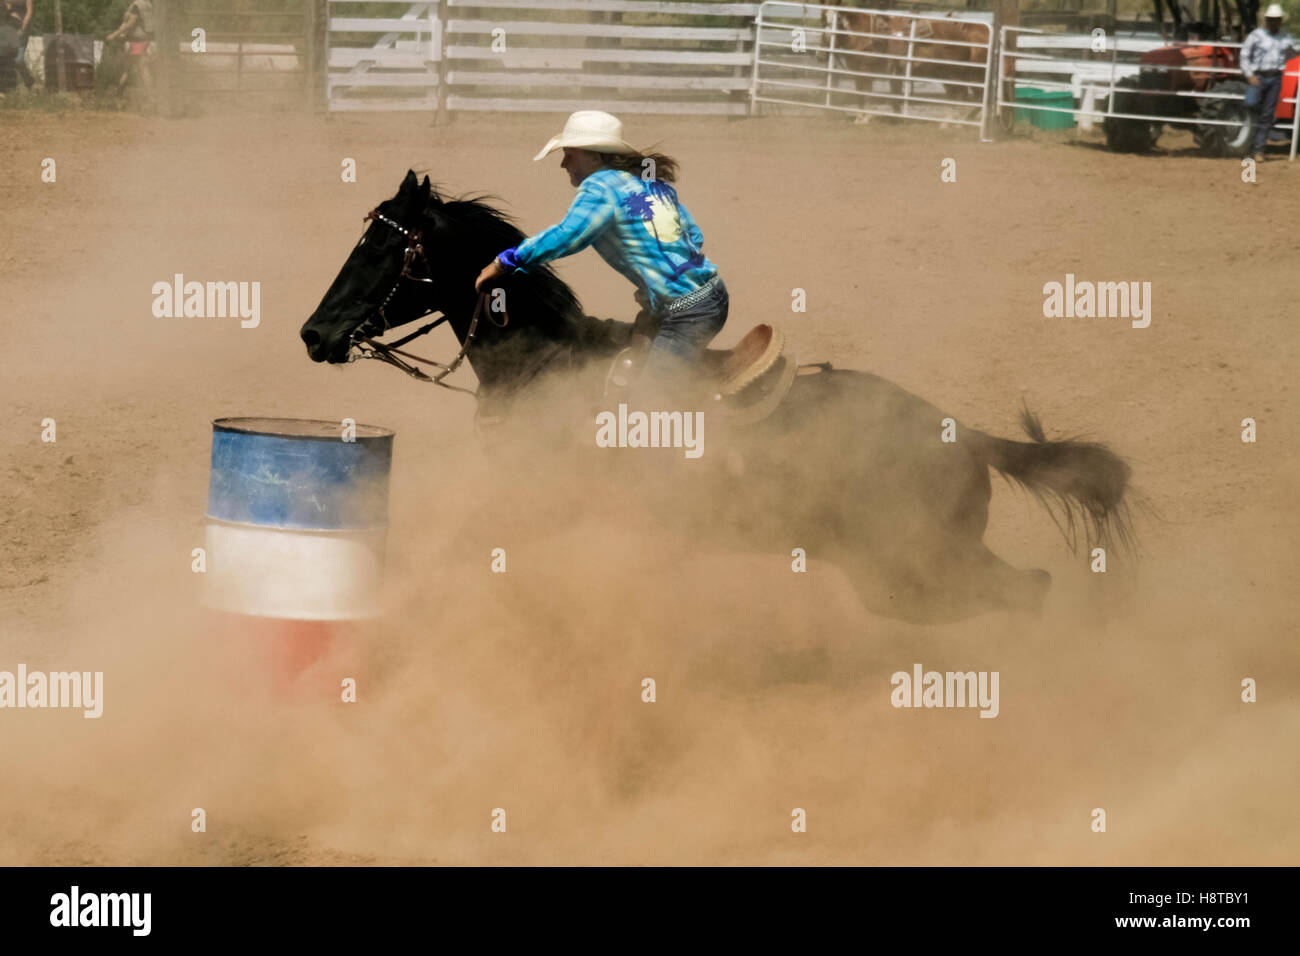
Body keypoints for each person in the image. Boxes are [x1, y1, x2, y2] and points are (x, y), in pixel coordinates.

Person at [474, 110, 726, 398]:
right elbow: (694, 235)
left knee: (651, 400)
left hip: (686, 311)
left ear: (594, 156)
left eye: (570, 154)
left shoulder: (600, 186)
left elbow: (569, 235)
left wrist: (506, 261)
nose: (563, 163)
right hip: (706, 297)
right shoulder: (645, 184)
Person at [1241, 4, 1298, 162]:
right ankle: (1248, 144)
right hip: (1258, 76)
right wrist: (1249, 74)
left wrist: (1288, 55)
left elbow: (1291, 54)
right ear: (1267, 20)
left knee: (1267, 114)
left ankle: (1258, 150)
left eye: (1277, 20)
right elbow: (1244, 54)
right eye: (1272, 20)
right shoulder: (1257, 35)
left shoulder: (1285, 37)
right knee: (1251, 106)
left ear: (1280, 21)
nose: (1274, 22)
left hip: (1275, 78)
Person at [106, 0, 154, 108]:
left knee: (141, 69)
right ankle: (119, 95)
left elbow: (131, 23)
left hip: (138, 41)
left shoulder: (137, 5)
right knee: (128, 68)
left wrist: (114, 34)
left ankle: (150, 99)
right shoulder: (147, 4)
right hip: (144, 39)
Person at [5, 0, 32, 91]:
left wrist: (22, 29)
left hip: (22, 28)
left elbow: (29, 12)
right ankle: (10, 85)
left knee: (18, 60)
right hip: (10, 27)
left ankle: (28, 80)